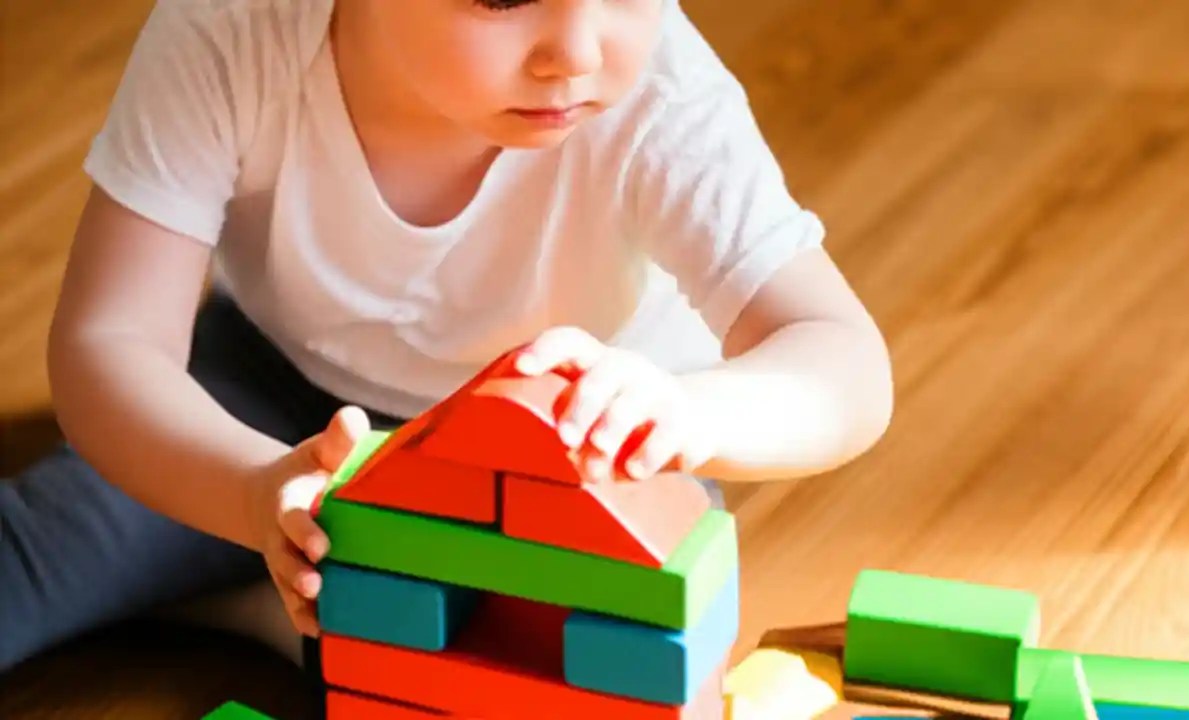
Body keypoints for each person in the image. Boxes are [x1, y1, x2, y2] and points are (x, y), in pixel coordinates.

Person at [0, 0, 894, 695]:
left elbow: (841, 356)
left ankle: (253, 613)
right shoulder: (233, 35)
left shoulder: (665, 100)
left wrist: (689, 410)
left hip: (569, 445)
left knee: (559, 675)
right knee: (43, 552)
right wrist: (250, 491)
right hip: (276, 396)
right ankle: (271, 593)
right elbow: (110, 343)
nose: (577, 54)